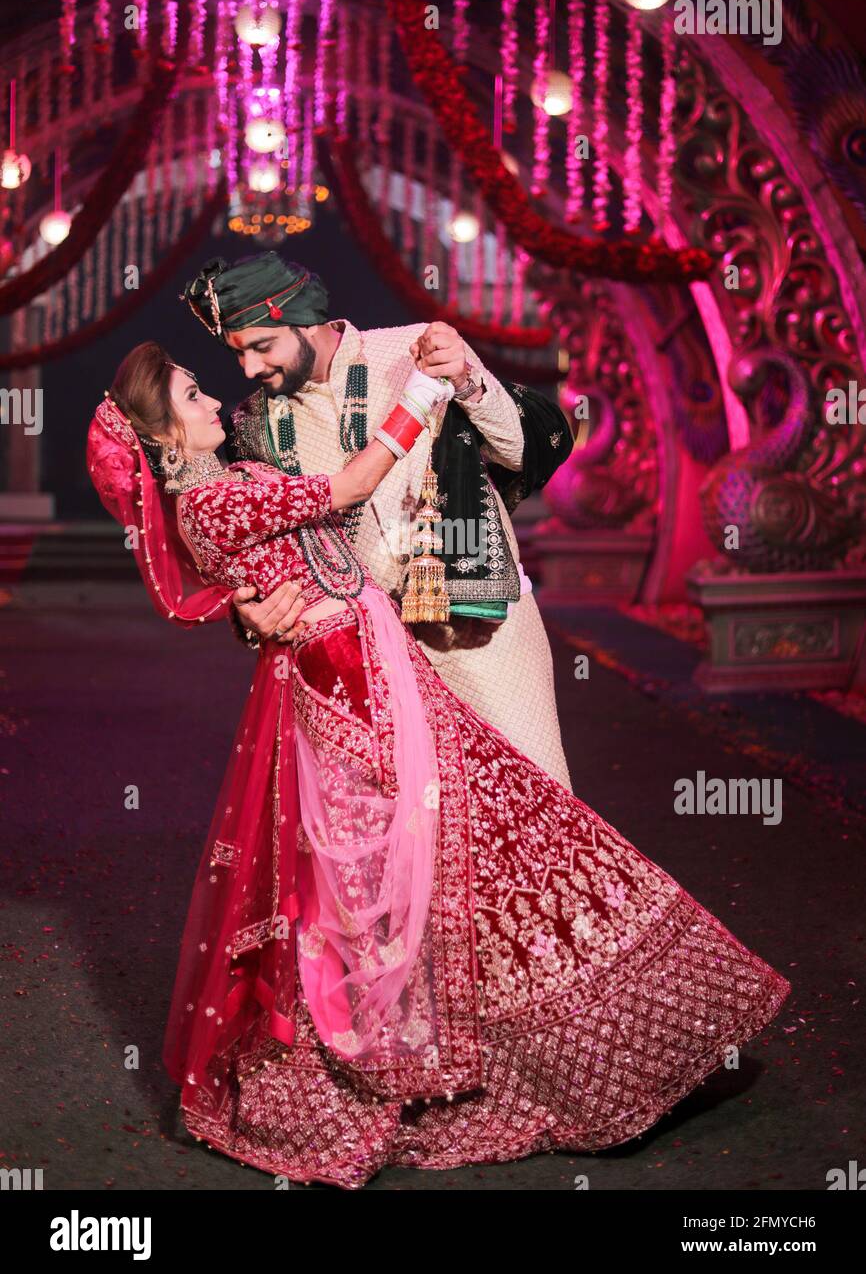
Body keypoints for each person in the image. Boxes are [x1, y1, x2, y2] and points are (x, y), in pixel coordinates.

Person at [86, 342, 791, 1191]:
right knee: (413, 861)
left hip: (399, 647)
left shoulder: (259, 453)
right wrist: (417, 396)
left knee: (490, 824)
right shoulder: (223, 485)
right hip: (348, 677)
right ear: (166, 441)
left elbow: (306, 543)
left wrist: (435, 380)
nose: (221, 390)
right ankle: (451, 1062)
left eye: (245, 349)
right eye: (195, 391)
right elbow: (342, 491)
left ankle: (591, 1039)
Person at [179, 252, 576, 792]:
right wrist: (249, 613)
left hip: (477, 626)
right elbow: (267, 547)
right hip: (369, 654)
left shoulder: (416, 350)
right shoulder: (253, 424)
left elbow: (518, 447)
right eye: (239, 354)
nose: (249, 369)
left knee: (536, 800)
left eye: (262, 347)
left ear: (304, 319)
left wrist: (466, 379)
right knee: (419, 833)